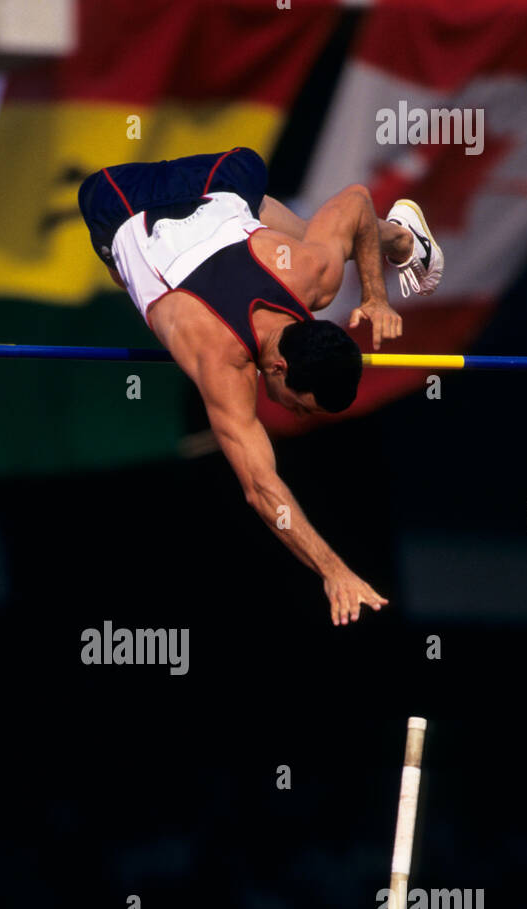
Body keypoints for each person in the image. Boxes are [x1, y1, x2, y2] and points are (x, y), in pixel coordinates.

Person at [79, 148, 444, 626]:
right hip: (118, 200)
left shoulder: (312, 276)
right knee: (122, 268)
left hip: (217, 180)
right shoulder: (219, 358)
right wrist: (334, 572)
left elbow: (356, 200)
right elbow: (260, 487)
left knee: (309, 231)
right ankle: (396, 238)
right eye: (303, 406)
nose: (296, 415)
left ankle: (400, 239)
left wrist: (378, 296)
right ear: (276, 367)